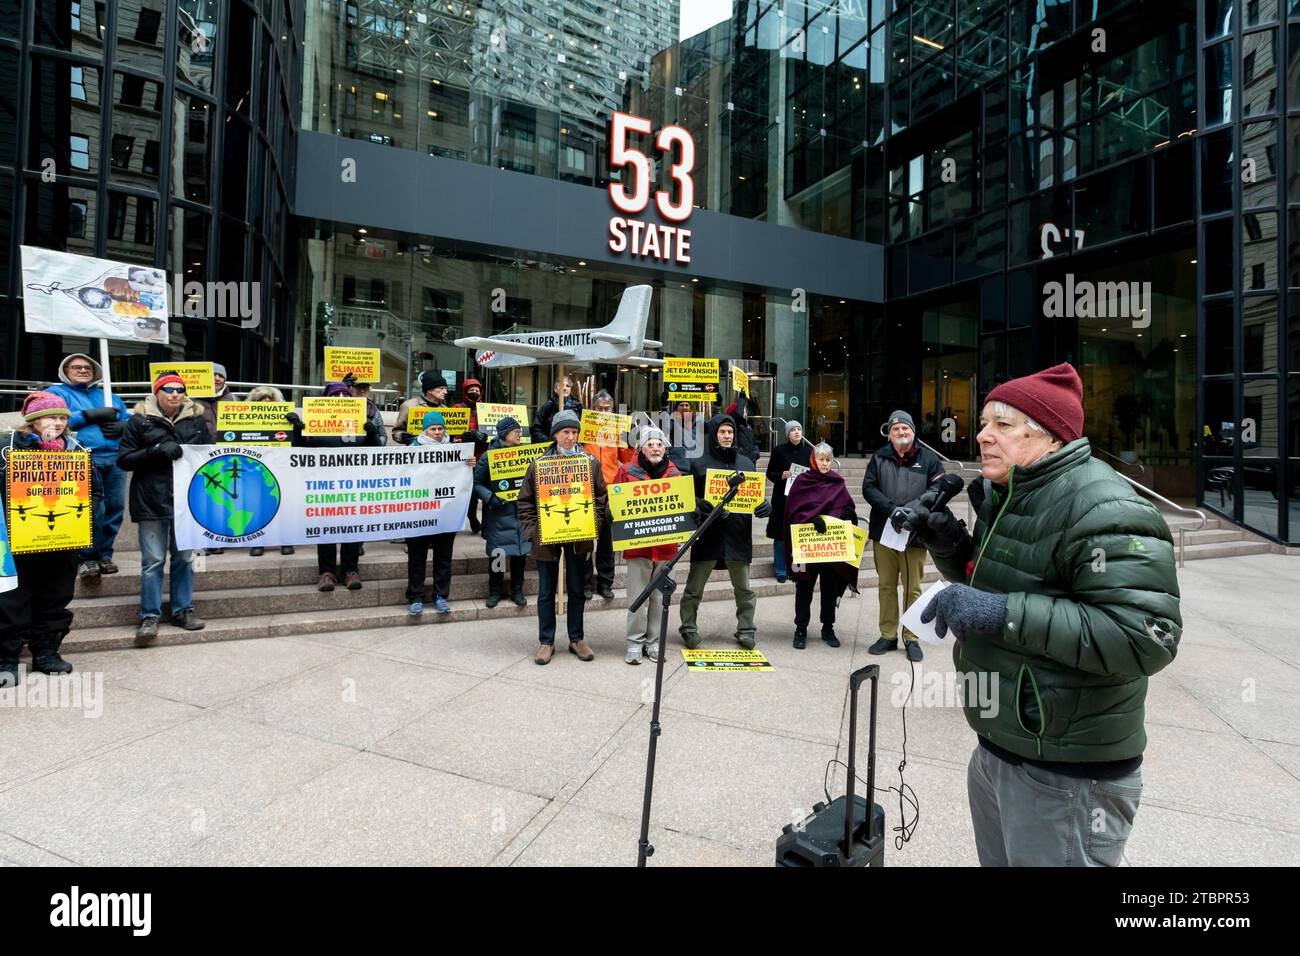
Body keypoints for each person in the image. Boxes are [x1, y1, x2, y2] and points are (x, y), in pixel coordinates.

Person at [909, 364, 1181, 867]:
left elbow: (1145, 637)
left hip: (1068, 774)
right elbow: (1001, 585)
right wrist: (950, 547)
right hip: (1002, 746)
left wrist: (1001, 612)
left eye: (1003, 425)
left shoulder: (1103, 506)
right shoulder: (1014, 492)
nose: (983, 435)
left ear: (1051, 436)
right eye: (985, 422)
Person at [0, 392, 100, 682]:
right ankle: (6, 657)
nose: (57, 422)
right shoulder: (7, 448)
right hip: (15, 540)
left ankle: (46, 651)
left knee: (55, 596)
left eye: (62, 417)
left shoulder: (77, 450)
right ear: (32, 420)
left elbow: (95, 490)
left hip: (62, 538)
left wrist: (84, 519)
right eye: (50, 416)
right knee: (11, 600)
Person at [116, 372, 212, 643]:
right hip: (151, 499)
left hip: (186, 502)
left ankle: (183, 610)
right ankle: (149, 615)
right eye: (168, 389)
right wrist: (155, 451)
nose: (175, 393)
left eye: (180, 389)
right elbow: (123, 460)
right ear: (157, 392)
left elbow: (208, 455)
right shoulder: (138, 421)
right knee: (153, 561)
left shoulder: (196, 420)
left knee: (184, 559)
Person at [516, 409, 608, 664]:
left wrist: (594, 524)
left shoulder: (590, 463)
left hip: (579, 534)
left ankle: (576, 639)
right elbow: (524, 502)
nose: (570, 437)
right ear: (555, 434)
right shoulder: (539, 464)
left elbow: (601, 498)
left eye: (574, 432)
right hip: (547, 536)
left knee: (578, 588)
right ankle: (546, 642)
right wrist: (534, 531)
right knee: (546, 590)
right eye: (566, 432)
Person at [678, 414, 770, 649]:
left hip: (738, 534)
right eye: (722, 432)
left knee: (744, 589)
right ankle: (688, 627)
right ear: (715, 435)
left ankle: (746, 628)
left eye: (730, 432)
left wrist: (764, 506)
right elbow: (688, 497)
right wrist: (699, 503)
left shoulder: (746, 464)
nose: (727, 436)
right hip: (708, 533)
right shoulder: (700, 463)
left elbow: (755, 496)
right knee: (694, 587)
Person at [861, 409, 944, 662]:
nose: (901, 432)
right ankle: (887, 635)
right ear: (890, 434)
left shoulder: (929, 459)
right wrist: (892, 510)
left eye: (905, 428)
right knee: (886, 585)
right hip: (884, 532)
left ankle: (911, 637)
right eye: (896, 429)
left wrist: (911, 511)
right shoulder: (878, 458)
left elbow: (937, 489)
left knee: (912, 587)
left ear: (913, 431)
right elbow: (868, 488)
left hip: (915, 533)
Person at [286, 381, 384, 591]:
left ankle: (351, 570)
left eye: (344, 396)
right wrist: (297, 431)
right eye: (335, 396)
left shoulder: (360, 422)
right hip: (325, 485)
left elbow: (376, 453)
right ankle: (327, 572)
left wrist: (373, 433)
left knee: (351, 527)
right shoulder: (315, 422)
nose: (340, 399)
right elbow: (300, 451)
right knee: (326, 528)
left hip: (354, 484)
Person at [46, 352, 129, 578]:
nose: (83, 370)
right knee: (90, 510)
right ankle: (86, 557)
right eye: (76, 367)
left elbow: (129, 419)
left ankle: (104, 554)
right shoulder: (55, 393)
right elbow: (48, 419)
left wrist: (124, 426)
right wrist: (87, 415)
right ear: (66, 371)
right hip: (82, 459)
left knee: (114, 508)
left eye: (87, 368)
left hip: (115, 458)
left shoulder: (107, 395)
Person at [613, 427, 682, 664]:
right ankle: (635, 642)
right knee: (637, 596)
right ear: (641, 448)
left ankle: (653, 642)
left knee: (658, 598)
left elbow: (682, 509)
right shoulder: (626, 471)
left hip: (665, 548)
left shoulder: (675, 475)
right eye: (650, 444)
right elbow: (615, 505)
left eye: (660, 445)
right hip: (637, 546)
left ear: (665, 449)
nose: (655, 448)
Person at [782, 442, 858, 649]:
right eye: (821, 459)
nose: (824, 464)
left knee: (830, 588)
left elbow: (848, 507)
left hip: (830, 548)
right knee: (804, 587)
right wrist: (811, 519)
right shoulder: (802, 482)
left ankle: (828, 627)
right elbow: (793, 512)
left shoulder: (837, 482)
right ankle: (801, 628)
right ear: (813, 460)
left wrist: (848, 514)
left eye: (828, 460)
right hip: (807, 547)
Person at [405, 410, 470, 617]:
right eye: (432, 428)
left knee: (444, 556)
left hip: (445, 512)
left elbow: (462, 474)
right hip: (419, 512)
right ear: (425, 430)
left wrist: (469, 464)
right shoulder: (412, 449)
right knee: (417, 557)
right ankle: (415, 597)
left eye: (440, 428)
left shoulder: (454, 449)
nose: (437, 432)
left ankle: (441, 596)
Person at [472, 414, 530, 608]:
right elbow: (477, 483)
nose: (519, 434)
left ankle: (517, 590)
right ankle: (495, 591)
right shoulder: (489, 457)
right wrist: (491, 497)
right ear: (505, 434)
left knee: (520, 557)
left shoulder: (524, 454)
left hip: (520, 515)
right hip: (498, 516)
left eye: (520, 430)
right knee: (497, 556)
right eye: (516, 431)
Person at [584, 389, 633, 601]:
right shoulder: (583, 427)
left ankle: (605, 582)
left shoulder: (618, 429)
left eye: (607, 409)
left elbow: (628, 459)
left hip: (610, 490)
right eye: (599, 409)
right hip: (586, 489)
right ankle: (585, 583)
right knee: (585, 541)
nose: (603, 412)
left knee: (607, 541)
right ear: (592, 409)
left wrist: (631, 444)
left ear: (612, 410)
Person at [245, 385, 294, 558]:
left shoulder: (286, 419)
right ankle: (258, 541)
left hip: (280, 465)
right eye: (261, 399)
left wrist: (295, 424)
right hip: (254, 467)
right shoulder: (244, 420)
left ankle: (285, 540)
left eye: (269, 398)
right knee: (256, 504)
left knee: (282, 503)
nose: (266, 402)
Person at [765, 420, 815, 583]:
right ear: (788, 433)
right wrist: (781, 475)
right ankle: (781, 569)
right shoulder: (779, 451)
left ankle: (797, 568)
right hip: (782, 499)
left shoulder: (809, 452)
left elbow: (815, 474)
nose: (796, 432)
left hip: (802, 499)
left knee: (799, 534)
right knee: (780, 536)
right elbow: (769, 473)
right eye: (793, 430)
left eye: (799, 429)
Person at [455, 378, 486, 534]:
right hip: (464, 457)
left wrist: (485, 436)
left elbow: (493, 430)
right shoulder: (456, 408)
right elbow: (451, 432)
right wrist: (464, 436)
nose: (474, 393)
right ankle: (472, 517)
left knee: (484, 489)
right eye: (471, 390)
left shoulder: (486, 409)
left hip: (482, 455)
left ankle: (485, 523)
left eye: (477, 390)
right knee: (470, 491)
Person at [394, 370, 448, 445]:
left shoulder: (445, 409)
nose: (445, 392)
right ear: (429, 390)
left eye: (445, 388)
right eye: (441, 388)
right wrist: (402, 436)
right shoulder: (409, 406)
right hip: (416, 451)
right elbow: (396, 431)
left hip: (439, 452)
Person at [530, 374, 583, 444]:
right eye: (561, 385)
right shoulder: (547, 407)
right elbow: (536, 430)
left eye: (568, 386)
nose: (565, 388)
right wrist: (550, 442)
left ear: (570, 389)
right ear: (555, 389)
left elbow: (584, 430)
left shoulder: (578, 407)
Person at [195, 362, 236, 440]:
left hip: (224, 446)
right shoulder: (192, 400)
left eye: (221, 376)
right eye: (213, 375)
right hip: (200, 447)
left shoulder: (233, 399)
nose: (217, 378)